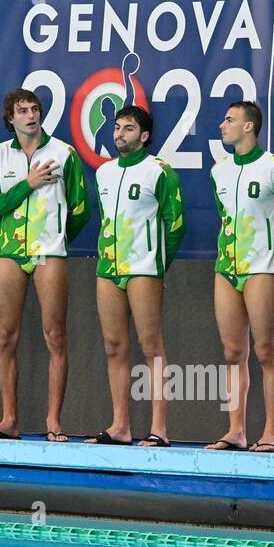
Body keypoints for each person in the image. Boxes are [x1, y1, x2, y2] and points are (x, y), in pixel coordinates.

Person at [0, 87, 89, 441]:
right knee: (4, 336)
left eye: (35, 108)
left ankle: (54, 421)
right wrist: (26, 185)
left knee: (55, 335)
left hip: (48, 253)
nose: (30, 115)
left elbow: (80, 210)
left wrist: (55, 238)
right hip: (10, 252)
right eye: (22, 110)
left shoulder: (63, 153)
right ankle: (9, 419)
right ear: (10, 118)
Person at [85, 105, 184, 447]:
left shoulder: (160, 171)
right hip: (108, 268)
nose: (118, 133)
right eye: (116, 127)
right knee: (114, 346)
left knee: (151, 346)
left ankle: (159, 428)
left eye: (128, 128)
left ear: (143, 137)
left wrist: (155, 263)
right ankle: (120, 426)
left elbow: (176, 225)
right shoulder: (104, 173)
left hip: (144, 269)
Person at [204, 102, 274, 452]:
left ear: (249, 127)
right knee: (232, 352)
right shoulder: (219, 171)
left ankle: (271, 433)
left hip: (262, 267)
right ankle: (236, 431)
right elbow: (223, 215)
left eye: (229, 120)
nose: (222, 125)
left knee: (264, 349)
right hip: (226, 268)